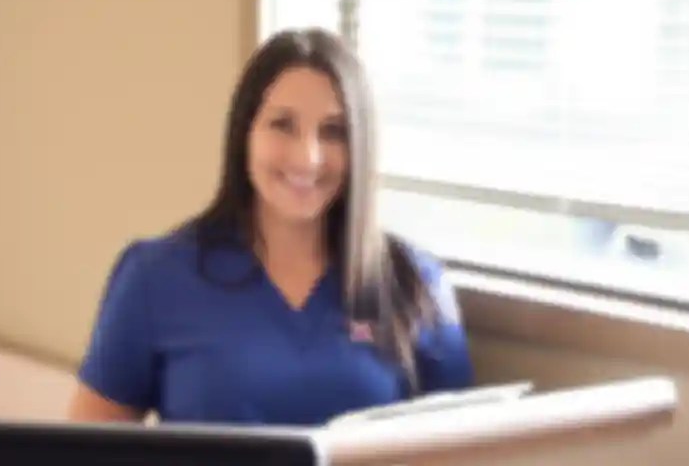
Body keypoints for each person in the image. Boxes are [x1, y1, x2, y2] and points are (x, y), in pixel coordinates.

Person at [67, 28, 473, 426]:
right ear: (245, 134)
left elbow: (462, 453)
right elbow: (88, 452)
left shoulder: (416, 285)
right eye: (282, 125)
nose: (307, 158)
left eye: (333, 132)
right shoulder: (153, 278)